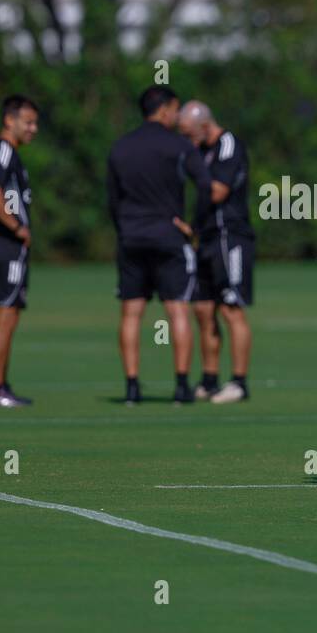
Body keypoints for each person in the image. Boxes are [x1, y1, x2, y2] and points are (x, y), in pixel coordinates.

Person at [106, 86, 211, 405]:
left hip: (131, 237)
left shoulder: (121, 147)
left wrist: (124, 228)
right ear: (165, 110)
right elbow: (205, 186)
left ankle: (132, 388)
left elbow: (112, 199)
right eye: (176, 109)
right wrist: (193, 225)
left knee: (131, 312)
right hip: (168, 237)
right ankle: (181, 387)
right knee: (178, 309)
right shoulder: (179, 146)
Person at [177, 100, 253, 404]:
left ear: (205, 126)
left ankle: (239, 382)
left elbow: (218, 190)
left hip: (229, 236)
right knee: (203, 309)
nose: (187, 142)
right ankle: (209, 379)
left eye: (189, 134)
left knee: (230, 308)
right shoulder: (202, 150)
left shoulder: (227, 144)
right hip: (206, 237)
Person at [0, 95, 38, 407]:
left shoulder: (10, 153)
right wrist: (17, 228)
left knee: (9, 312)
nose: (33, 128)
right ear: (9, 120)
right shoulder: (2, 149)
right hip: (4, 247)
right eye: (28, 122)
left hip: (4, 247)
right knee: (7, 313)